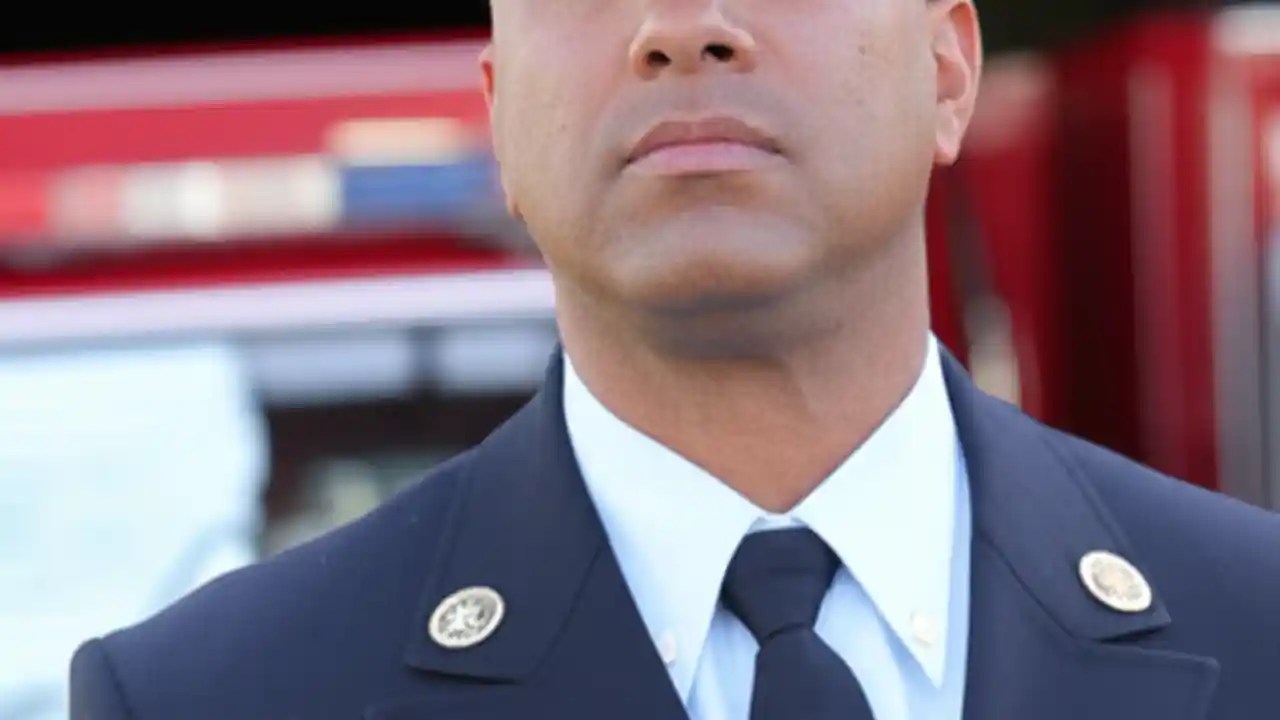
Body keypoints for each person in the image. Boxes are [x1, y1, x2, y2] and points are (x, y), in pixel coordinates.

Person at [71, 0, 1280, 718]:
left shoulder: (1260, 625)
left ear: (945, 67)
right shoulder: (211, 698)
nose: (681, 29)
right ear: (497, 115)